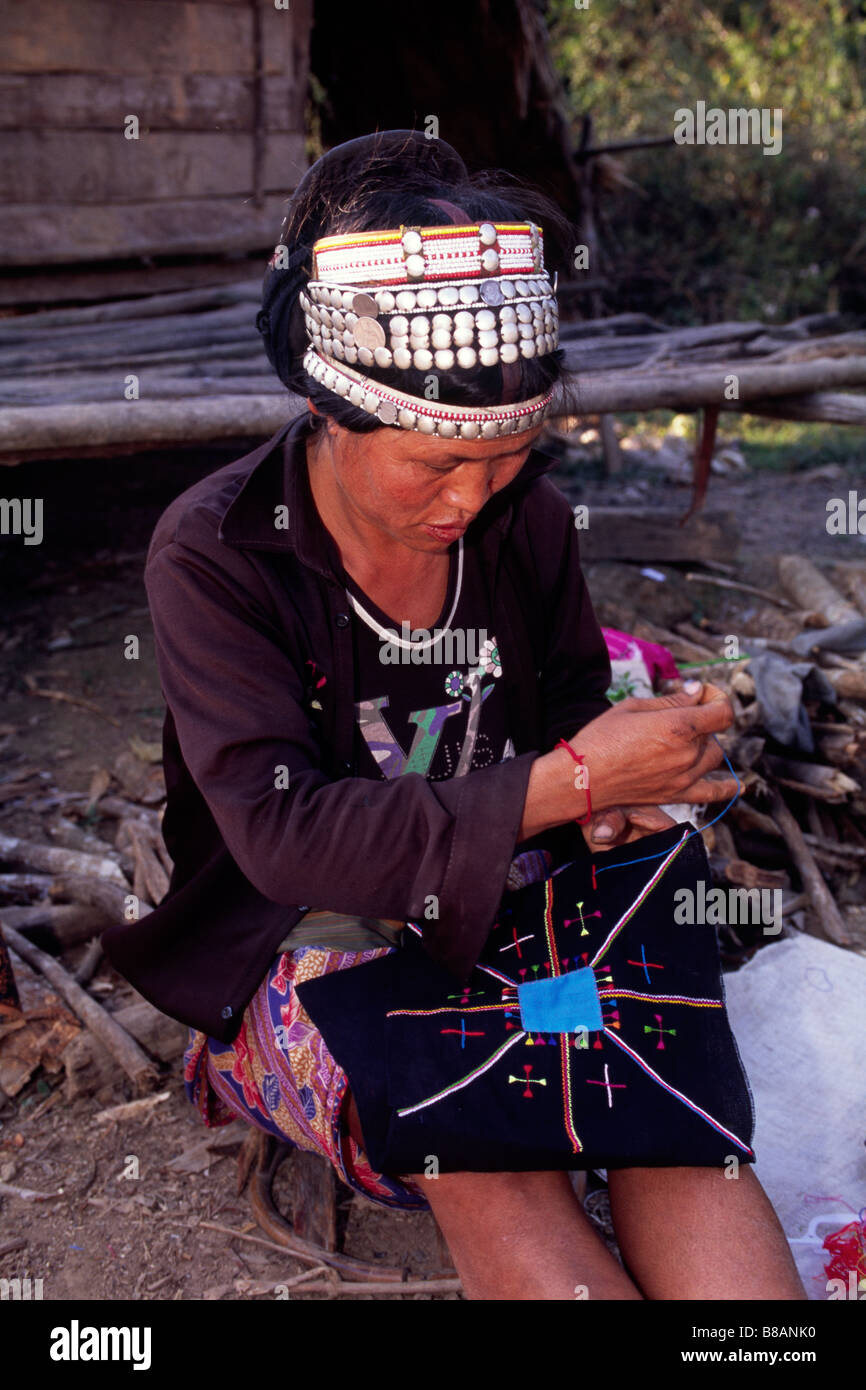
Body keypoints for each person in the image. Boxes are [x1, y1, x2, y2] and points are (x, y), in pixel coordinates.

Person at [102, 130, 806, 1300]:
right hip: (313, 943)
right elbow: (284, 839)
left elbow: (574, 704)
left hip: (512, 911)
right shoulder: (218, 552)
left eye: (508, 454)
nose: (471, 495)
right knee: (482, 1142)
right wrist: (576, 782)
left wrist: (624, 798)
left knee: (666, 1116)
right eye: (433, 464)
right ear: (330, 410)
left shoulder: (522, 520)